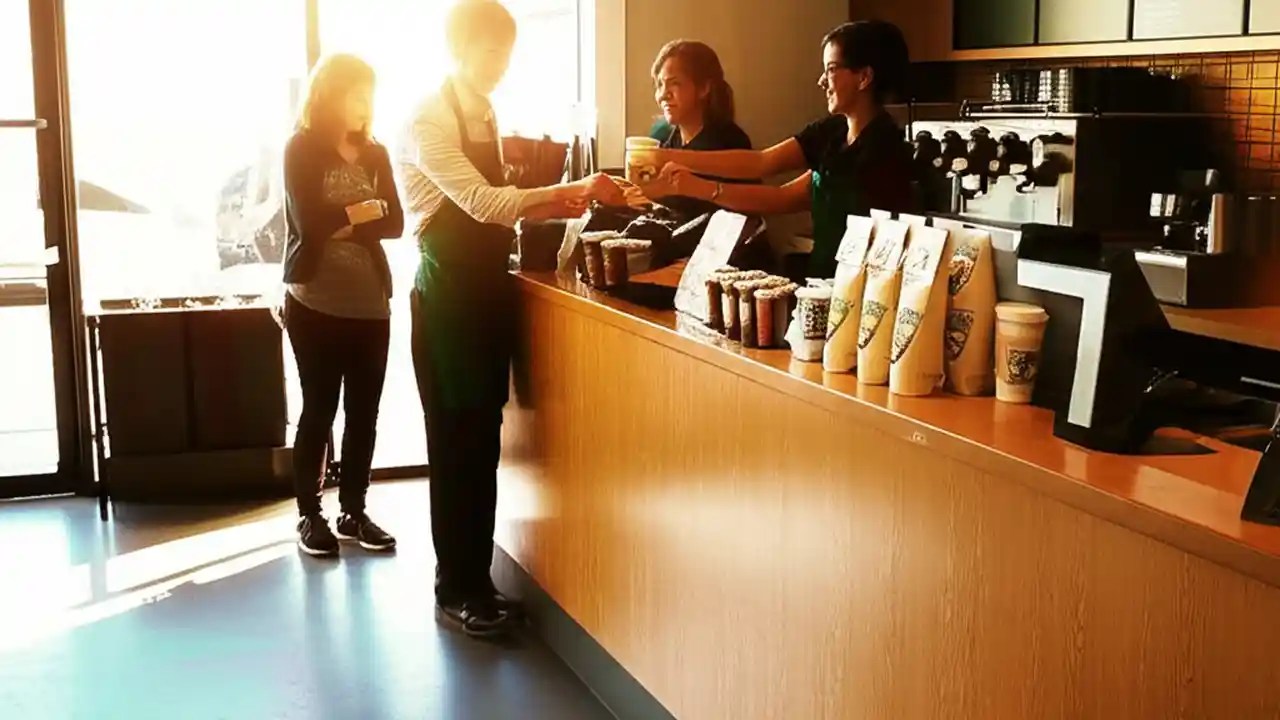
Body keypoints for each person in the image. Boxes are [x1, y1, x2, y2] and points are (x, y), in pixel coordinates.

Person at [397, 0, 626, 639]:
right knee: (453, 444)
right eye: (489, 51)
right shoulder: (427, 115)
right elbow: (483, 202)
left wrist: (569, 192)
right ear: (459, 48)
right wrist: (578, 189)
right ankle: (454, 588)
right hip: (444, 300)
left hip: (484, 293)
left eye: (505, 52)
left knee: (484, 441)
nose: (498, 65)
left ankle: (479, 580)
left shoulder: (485, 110)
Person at [641, 21, 914, 279]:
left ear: (864, 77)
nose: (821, 81)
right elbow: (763, 166)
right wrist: (681, 171)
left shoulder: (884, 149)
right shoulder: (831, 132)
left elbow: (785, 197)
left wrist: (690, 179)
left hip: (861, 285)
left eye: (831, 69)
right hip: (821, 280)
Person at [282, 53, 404, 557]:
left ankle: (353, 510)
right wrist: (362, 212)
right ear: (331, 95)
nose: (365, 104)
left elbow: (395, 222)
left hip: (370, 304)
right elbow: (310, 223)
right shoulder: (301, 148)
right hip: (314, 302)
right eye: (356, 93)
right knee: (318, 409)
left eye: (369, 95)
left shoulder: (375, 153)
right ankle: (309, 514)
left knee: (364, 413)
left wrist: (347, 219)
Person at [651, 40, 751, 153]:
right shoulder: (662, 139)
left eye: (675, 83)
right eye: (660, 85)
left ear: (704, 88)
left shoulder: (731, 144)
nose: (663, 95)